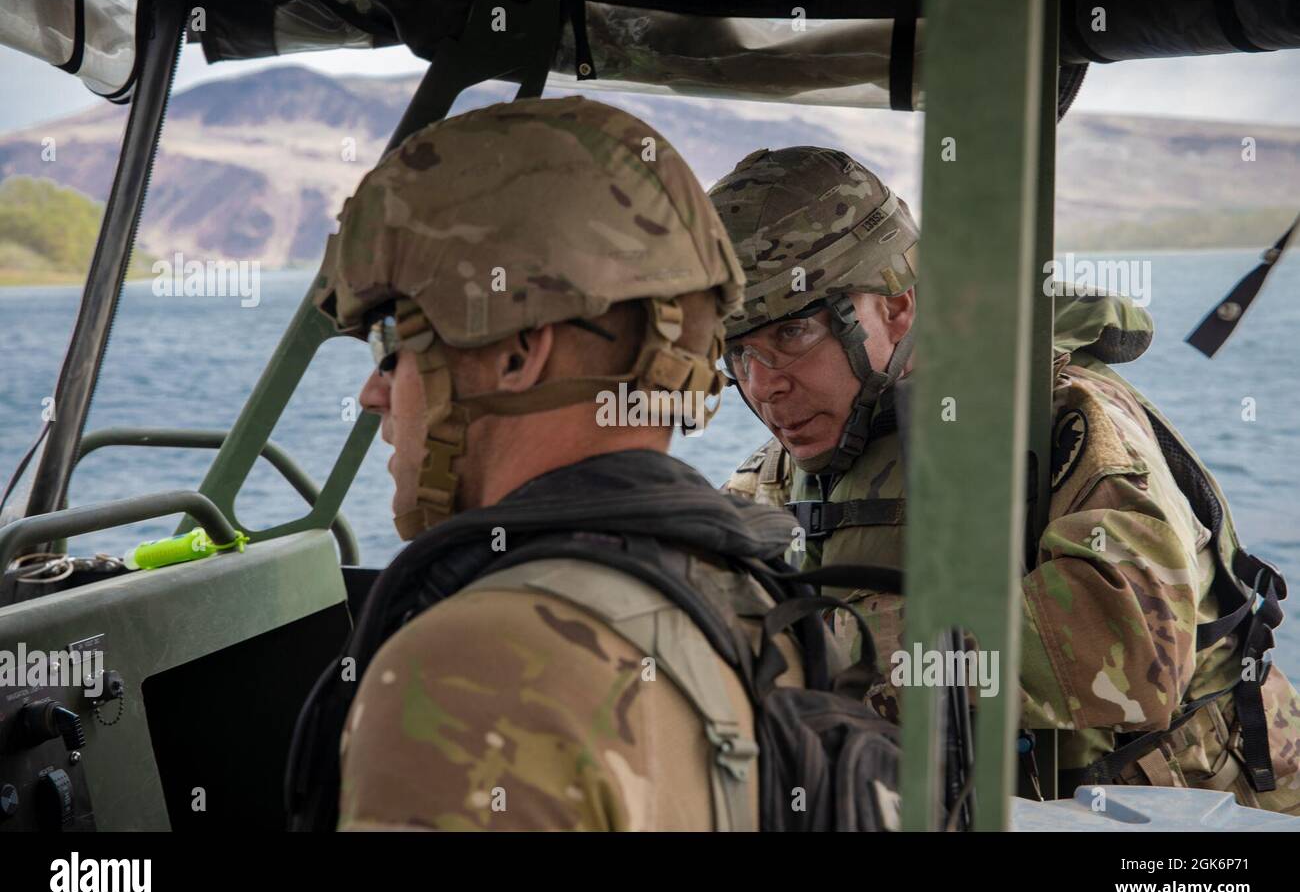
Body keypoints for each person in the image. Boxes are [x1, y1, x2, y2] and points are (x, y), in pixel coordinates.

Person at [285, 97, 845, 832]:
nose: (372, 391)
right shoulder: (758, 599)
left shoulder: (477, 667)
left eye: (393, 339)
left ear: (518, 350)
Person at [712, 145, 1300, 812]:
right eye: (739, 351)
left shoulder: (1060, 417)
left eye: (792, 333)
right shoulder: (792, 460)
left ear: (897, 307)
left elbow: (1136, 648)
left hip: (1195, 815)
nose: (764, 386)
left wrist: (828, 649)